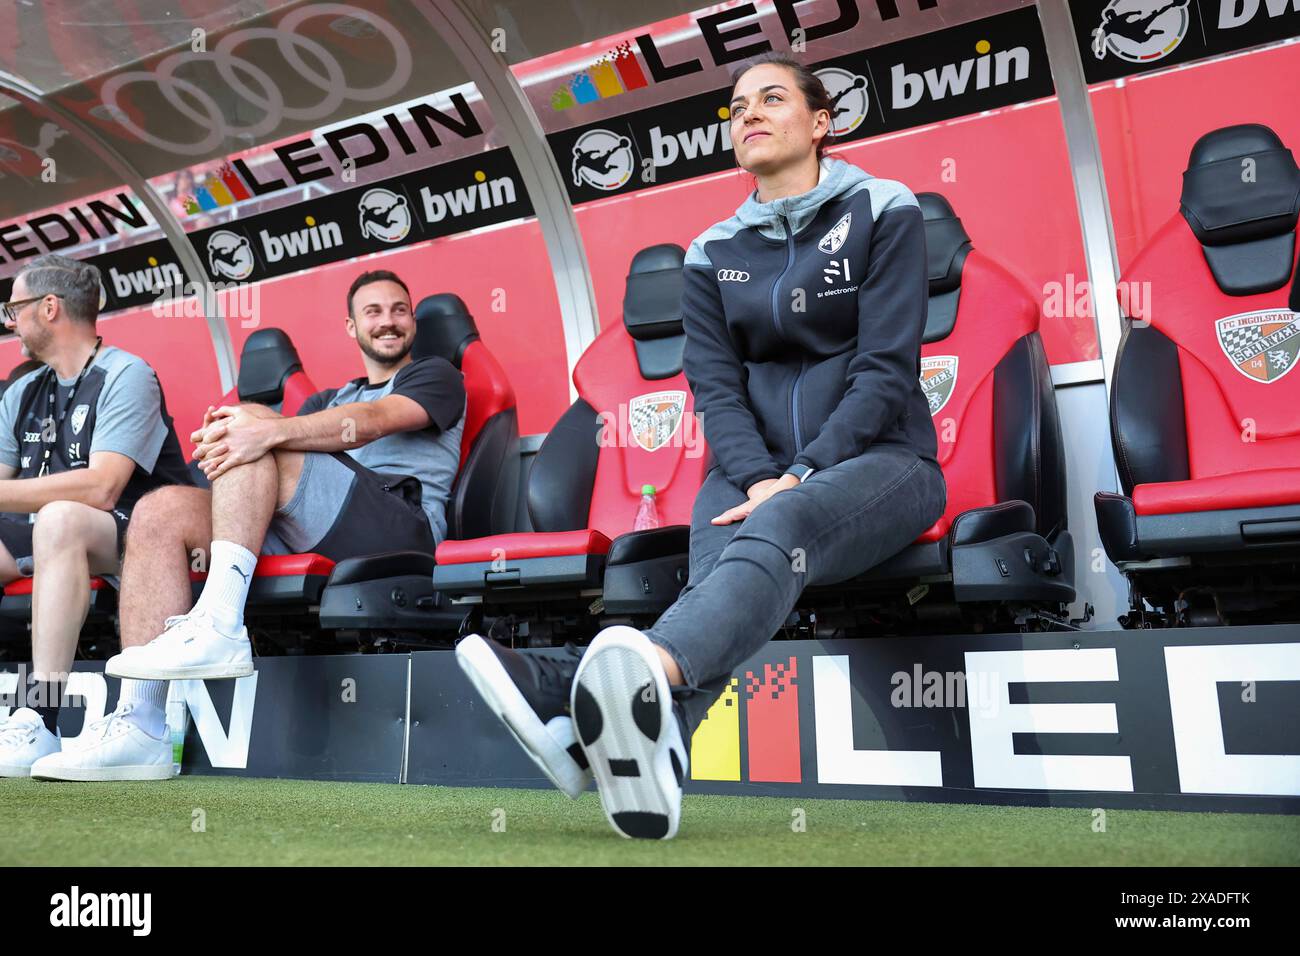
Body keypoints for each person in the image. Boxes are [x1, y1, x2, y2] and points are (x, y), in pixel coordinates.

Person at [455, 52, 947, 840]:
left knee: (780, 522)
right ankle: (652, 739)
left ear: (820, 122)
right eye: (738, 106)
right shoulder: (710, 251)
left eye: (772, 98)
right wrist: (757, 478)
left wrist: (802, 473)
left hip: (883, 463)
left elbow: (885, 371)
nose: (749, 114)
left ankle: (577, 688)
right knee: (719, 566)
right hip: (751, 475)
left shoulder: (886, 209)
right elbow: (716, 391)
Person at [28, 269, 466, 780]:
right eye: (373, 312)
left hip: (398, 528)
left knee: (254, 425)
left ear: (413, 321)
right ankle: (139, 724)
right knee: (159, 510)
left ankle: (219, 623)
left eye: (399, 310)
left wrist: (258, 427)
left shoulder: (436, 375)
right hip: (312, 526)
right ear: (351, 326)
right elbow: (270, 444)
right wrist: (229, 433)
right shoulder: (326, 400)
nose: (388, 321)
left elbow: (372, 422)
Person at [0, 254, 193, 778]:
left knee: (61, 518)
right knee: (55, 521)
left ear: (49, 307)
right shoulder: (22, 391)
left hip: (142, 532)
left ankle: (40, 716)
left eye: (14, 309)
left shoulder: (127, 374)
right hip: (54, 535)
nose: (10, 322)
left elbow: (103, 488)